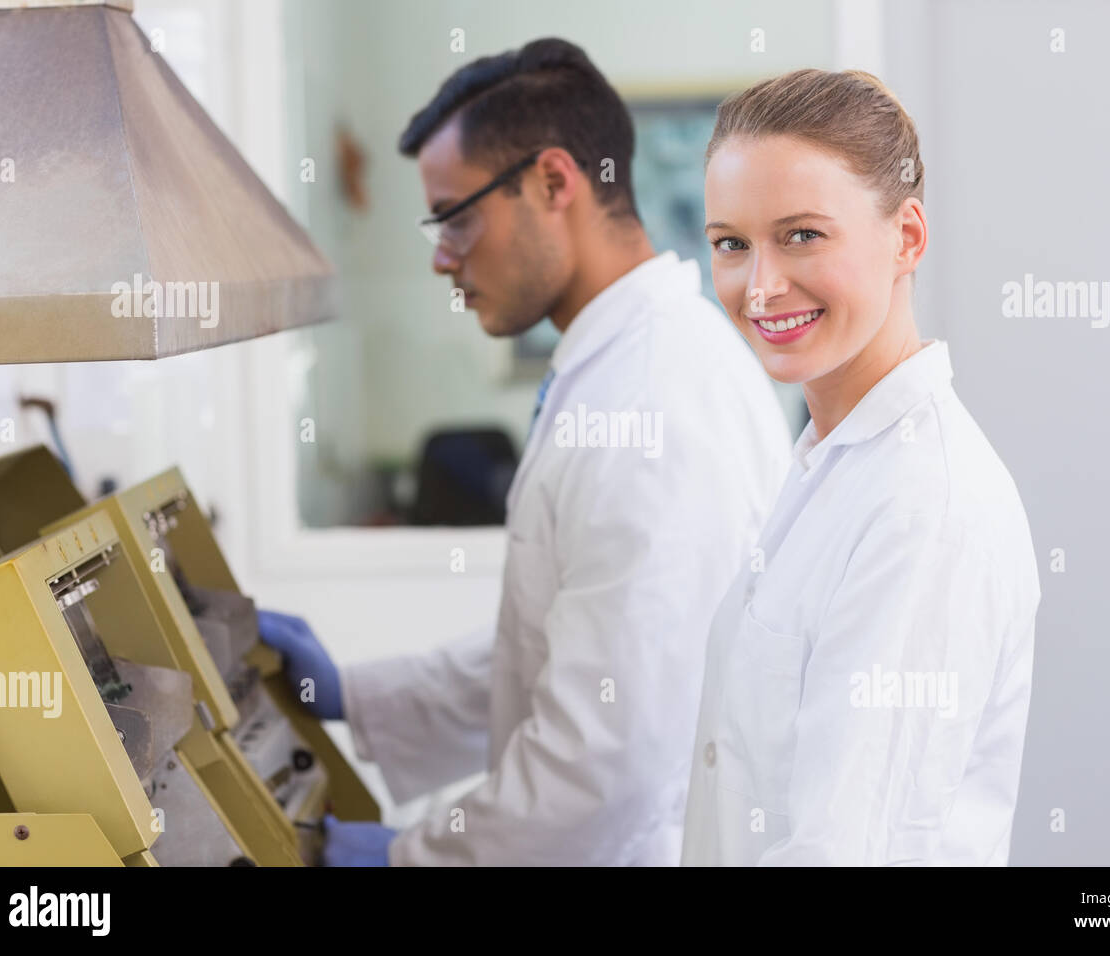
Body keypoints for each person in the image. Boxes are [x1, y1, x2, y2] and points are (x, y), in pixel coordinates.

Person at [259, 37, 790, 866]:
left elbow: (602, 766)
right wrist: (354, 695)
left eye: (455, 217)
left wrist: (406, 857)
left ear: (553, 182)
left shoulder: (649, 405)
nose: (441, 256)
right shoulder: (623, 364)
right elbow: (569, 649)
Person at [681, 69, 1041, 865]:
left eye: (802, 234)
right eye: (731, 244)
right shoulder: (830, 464)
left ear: (907, 237)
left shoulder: (924, 509)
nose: (762, 285)